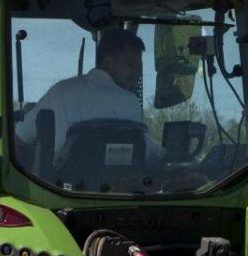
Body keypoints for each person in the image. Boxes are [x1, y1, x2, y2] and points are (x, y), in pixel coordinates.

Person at [15, 28, 152, 160]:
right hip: (118, 182)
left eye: (139, 67)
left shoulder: (60, 91)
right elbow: (145, 154)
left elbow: (21, 137)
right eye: (131, 65)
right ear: (109, 61)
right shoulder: (129, 102)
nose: (137, 73)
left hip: (58, 183)